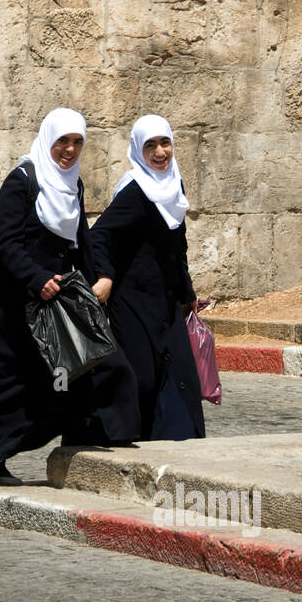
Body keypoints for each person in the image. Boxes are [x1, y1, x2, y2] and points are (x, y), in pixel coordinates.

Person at [0, 109, 140, 485]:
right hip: (18, 300)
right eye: (62, 142)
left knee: (77, 371)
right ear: (48, 140)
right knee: (16, 381)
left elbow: (79, 239)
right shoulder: (22, 181)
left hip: (55, 301)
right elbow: (4, 240)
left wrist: (99, 278)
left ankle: (84, 441)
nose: (69, 150)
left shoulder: (73, 183)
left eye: (77, 142)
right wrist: (35, 278)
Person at [89, 114, 205, 441]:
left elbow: (176, 244)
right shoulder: (136, 190)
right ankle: (114, 440)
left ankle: (179, 442)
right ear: (138, 150)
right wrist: (106, 276)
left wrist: (187, 292)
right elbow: (100, 236)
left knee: (180, 372)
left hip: (166, 300)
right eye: (150, 145)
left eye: (164, 143)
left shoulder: (173, 184)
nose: (160, 152)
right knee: (141, 376)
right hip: (132, 300)